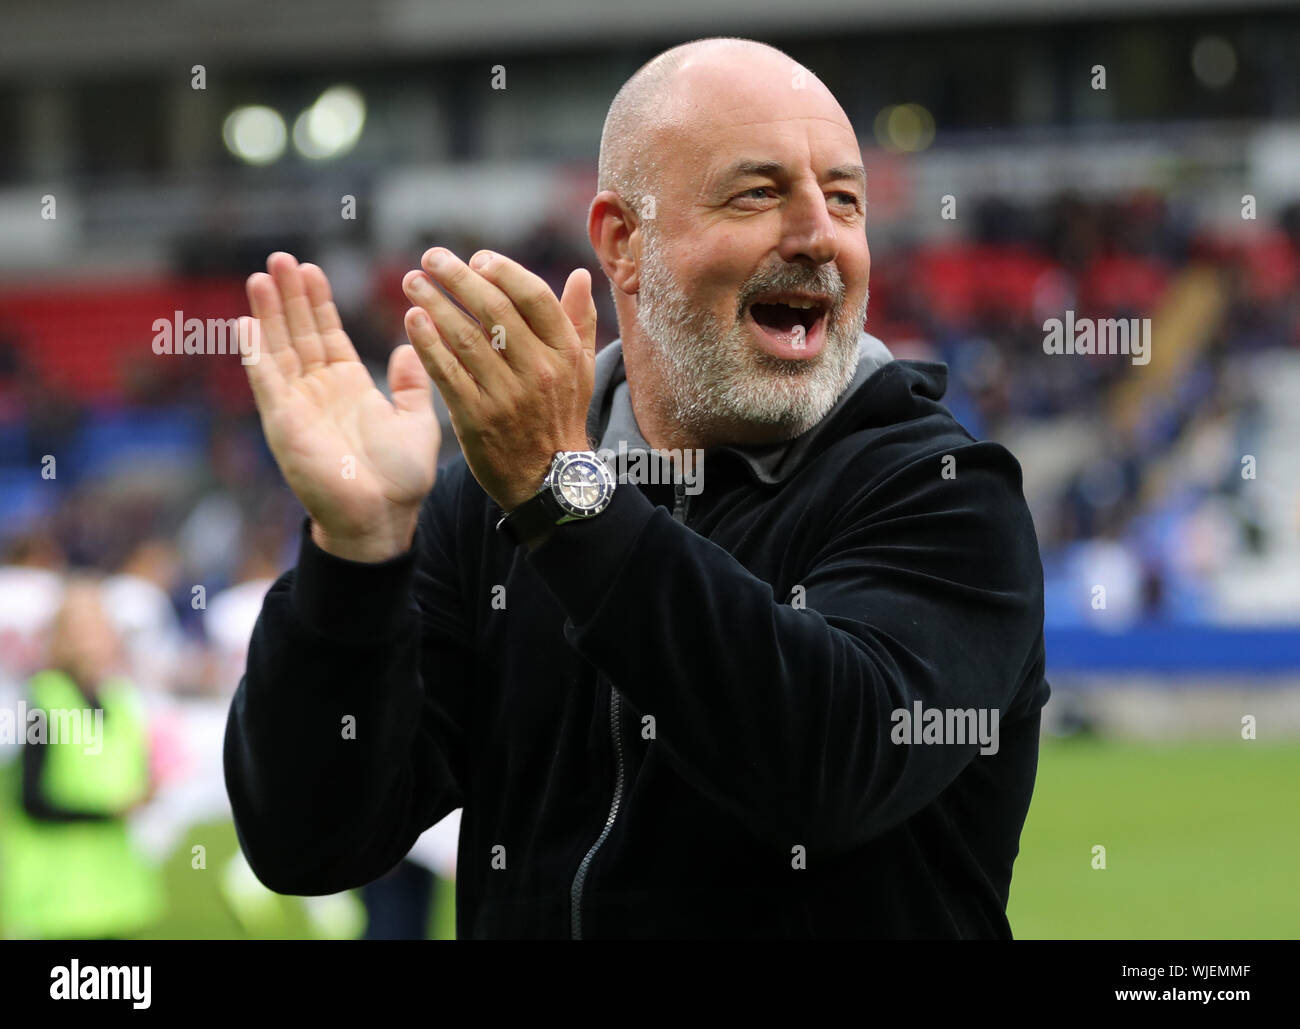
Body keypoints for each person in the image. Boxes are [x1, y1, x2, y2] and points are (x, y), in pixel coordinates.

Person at [224, 36, 1050, 938]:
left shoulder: (943, 493)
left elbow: (832, 765)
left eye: (844, 199)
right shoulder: (487, 509)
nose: (820, 235)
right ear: (625, 241)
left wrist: (566, 498)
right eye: (760, 192)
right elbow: (308, 841)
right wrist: (356, 557)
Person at [1, 577, 165, 939]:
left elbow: (129, 773)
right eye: (85, 630)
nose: (98, 640)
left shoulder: (120, 699)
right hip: (55, 895)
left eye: (102, 628)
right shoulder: (41, 700)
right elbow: (30, 799)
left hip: (114, 888)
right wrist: (108, 811)